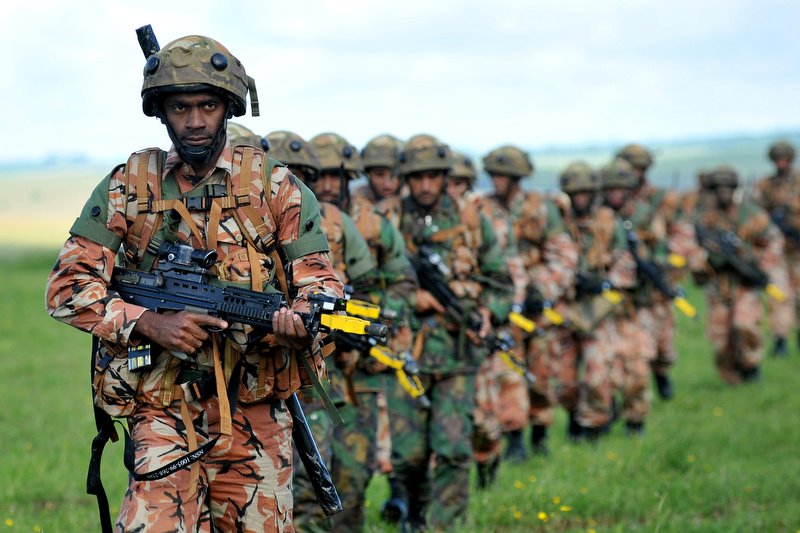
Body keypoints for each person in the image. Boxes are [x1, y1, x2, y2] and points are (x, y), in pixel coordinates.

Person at [46, 35, 343, 531]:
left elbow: (321, 288)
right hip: (162, 408)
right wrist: (149, 323)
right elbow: (67, 287)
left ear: (228, 107)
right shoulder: (129, 185)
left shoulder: (275, 186)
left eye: (208, 105)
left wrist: (302, 321)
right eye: (180, 107)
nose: (195, 121)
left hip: (255, 409)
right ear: (161, 112)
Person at [376, 134, 511, 531]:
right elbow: (360, 284)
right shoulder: (385, 220)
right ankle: (416, 513)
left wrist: (488, 312)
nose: (425, 185)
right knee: (408, 455)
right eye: (417, 177)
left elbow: (501, 282)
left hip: (456, 356)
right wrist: (410, 298)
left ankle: (445, 525)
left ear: (444, 176)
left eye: (433, 176)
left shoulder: (471, 220)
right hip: (404, 356)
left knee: (453, 450)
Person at [264, 130, 377, 532]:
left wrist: (344, 320)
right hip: (258, 371)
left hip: (320, 373)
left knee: (317, 483)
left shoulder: (332, 222)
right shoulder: (242, 219)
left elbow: (371, 288)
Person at [482, 144, 578, 456]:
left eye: (503, 175)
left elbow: (564, 255)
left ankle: (540, 432)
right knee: (506, 371)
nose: (497, 180)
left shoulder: (541, 208)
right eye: (494, 174)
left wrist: (543, 289)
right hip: (504, 302)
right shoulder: (482, 209)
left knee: (542, 374)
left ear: (516, 178)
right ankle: (514, 437)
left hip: (538, 307)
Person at [558, 162, 636, 441]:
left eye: (585, 193)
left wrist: (605, 282)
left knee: (597, 372)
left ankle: (595, 426)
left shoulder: (608, 222)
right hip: (564, 305)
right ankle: (574, 417)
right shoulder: (559, 221)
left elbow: (626, 262)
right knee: (563, 378)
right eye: (575, 193)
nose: (580, 198)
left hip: (597, 308)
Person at [691, 166, 784, 384]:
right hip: (718, 283)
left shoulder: (750, 214)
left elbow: (773, 240)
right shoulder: (704, 217)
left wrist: (761, 266)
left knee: (745, 325)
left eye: (728, 187)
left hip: (745, 282)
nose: (723, 192)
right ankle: (730, 379)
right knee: (721, 336)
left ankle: (752, 369)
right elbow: (691, 246)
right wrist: (702, 262)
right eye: (718, 188)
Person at [601, 158, 660, 436]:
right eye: (610, 189)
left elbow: (662, 251)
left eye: (620, 189)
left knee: (637, 367)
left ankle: (636, 422)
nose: (615, 195)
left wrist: (651, 265)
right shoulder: (597, 218)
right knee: (605, 369)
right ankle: (603, 417)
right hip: (603, 306)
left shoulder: (644, 215)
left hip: (636, 304)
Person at [616, 143, 680, 399]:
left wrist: (664, 262)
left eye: (638, 168)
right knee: (637, 346)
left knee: (662, 341)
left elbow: (677, 235)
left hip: (656, 276)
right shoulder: (612, 199)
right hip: (627, 282)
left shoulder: (660, 199)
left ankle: (662, 375)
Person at [753, 140, 799, 356]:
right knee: (779, 295)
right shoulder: (765, 186)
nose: (781, 163)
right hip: (776, 252)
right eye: (777, 159)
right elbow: (757, 215)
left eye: (785, 159)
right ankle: (780, 339)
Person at [355, 134, 405, 203]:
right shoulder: (355, 201)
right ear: (368, 175)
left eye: (395, 175)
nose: (387, 185)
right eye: (379, 175)